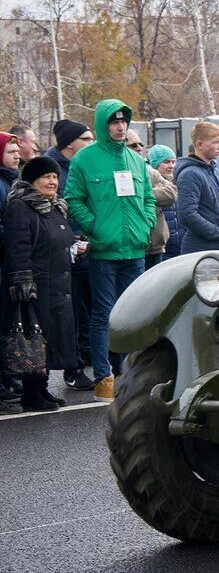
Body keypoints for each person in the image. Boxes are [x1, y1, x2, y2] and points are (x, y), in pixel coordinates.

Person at [64, 99, 155, 402]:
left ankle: (129, 371)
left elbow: (148, 198)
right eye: (114, 122)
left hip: (134, 250)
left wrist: (145, 224)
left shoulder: (135, 160)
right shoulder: (85, 159)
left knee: (133, 315)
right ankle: (104, 376)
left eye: (123, 122)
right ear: (104, 125)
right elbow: (73, 199)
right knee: (103, 314)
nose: (120, 127)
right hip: (104, 252)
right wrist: (95, 227)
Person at [3, 156, 77, 411]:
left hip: (58, 284)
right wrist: (22, 281)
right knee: (35, 337)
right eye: (46, 177)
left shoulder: (54, 206)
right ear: (32, 180)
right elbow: (18, 246)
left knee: (51, 337)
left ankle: (41, 388)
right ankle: (31, 393)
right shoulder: (20, 206)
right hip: (36, 284)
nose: (53, 181)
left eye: (55, 176)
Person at [43, 118, 95, 390]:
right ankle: (71, 369)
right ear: (69, 144)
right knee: (67, 316)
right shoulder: (50, 170)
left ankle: (84, 356)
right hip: (63, 254)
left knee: (85, 312)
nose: (91, 143)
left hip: (86, 249)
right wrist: (72, 240)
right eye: (85, 139)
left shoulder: (83, 165)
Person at [174, 122, 219, 254]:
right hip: (203, 251)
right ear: (200, 144)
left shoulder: (216, 172)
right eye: (215, 142)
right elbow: (187, 215)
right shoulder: (190, 174)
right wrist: (218, 233)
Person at [0, 132, 22, 404]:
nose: (17, 156)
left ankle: (6, 377)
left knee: (7, 323)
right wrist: (17, 236)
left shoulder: (10, 181)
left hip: (8, 261)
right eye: (10, 151)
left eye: (17, 151)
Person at [149, 145, 185, 259]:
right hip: (163, 247)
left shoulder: (178, 183)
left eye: (173, 162)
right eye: (166, 162)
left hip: (180, 245)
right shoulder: (152, 182)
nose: (171, 166)